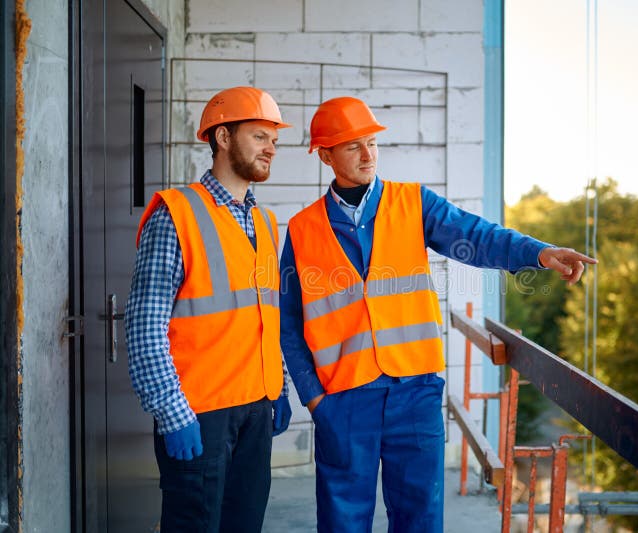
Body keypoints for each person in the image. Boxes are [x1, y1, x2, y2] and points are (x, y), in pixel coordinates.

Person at [280, 96, 597, 532]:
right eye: (354, 146)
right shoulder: (302, 230)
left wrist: (539, 253)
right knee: (341, 523)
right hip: (345, 398)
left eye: (372, 142)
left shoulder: (412, 204)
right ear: (326, 154)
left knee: (420, 521)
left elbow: (478, 236)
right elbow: (290, 326)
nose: (368, 154)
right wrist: (315, 400)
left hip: (416, 393)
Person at [125, 86, 293, 532]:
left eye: (274, 139)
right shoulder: (176, 214)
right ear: (222, 137)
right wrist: (172, 412)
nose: (271, 148)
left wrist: (280, 389)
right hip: (200, 416)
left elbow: (264, 315)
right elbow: (144, 327)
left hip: (256, 408)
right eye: (259, 136)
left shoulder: (265, 221)